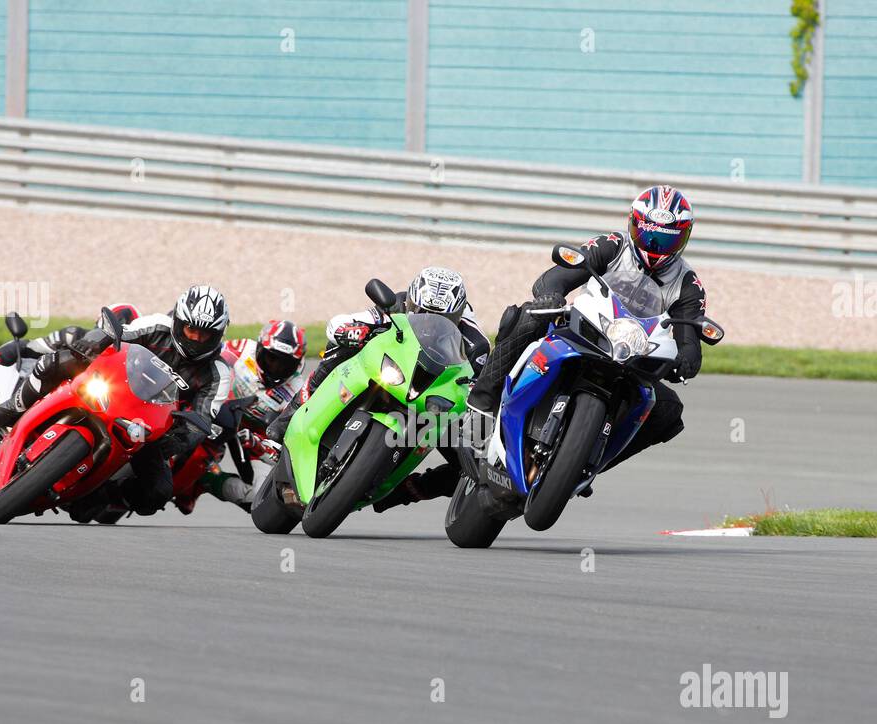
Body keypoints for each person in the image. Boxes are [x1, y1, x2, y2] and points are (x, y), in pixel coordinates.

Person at [464, 185, 707, 470]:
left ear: (684, 238)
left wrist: (687, 360)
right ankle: (481, 402)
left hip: (633, 355)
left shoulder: (688, 283)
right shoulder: (612, 245)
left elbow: (690, 339)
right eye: (649, 234)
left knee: (669, 411)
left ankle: (589, 461)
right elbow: (556, 277)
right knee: (529, 315)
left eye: (665, 240)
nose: (654, 246)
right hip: (581, 330)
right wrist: (552, 294)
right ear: (633, 224)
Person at [0, 285, 231, 517]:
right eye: (191, 330)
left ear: (219, 334)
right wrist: (91, 343)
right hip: (113, 386)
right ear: (178, 322)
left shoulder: (219, 373)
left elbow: (203, 418)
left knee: (157, 493)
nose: (196, 339)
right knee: (56, 362)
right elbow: (117, 333)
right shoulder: (157, 326)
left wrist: (176, 440)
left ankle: (106, 493)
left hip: (148, 425)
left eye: (205, 335)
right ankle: (13, 408)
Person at [267, 267, 490, 512]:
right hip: (393, 370)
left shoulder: (476, 343)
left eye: (442, 318)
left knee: (475, 459)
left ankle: (405, 491)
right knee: (339, 348)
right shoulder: (396, 304)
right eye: (422, 312)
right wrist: (351, 331)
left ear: (458, 315)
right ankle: (289, 415)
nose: (428, 321)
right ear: (412, 303)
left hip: (433, 398)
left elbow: (482, 390)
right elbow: (337, 325)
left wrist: (470, 399)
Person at [203, 319, 309, 510]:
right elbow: (207, 363)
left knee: (262, 501)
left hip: (255, 440)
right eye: (271, 359)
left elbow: (292, 436)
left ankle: (210, 481)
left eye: (284, 364)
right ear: (260, 348)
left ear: (296, 364)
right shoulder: (241, 349)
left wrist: (263, 443)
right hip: (218, 414)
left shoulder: (298, 389)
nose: (275, 368)